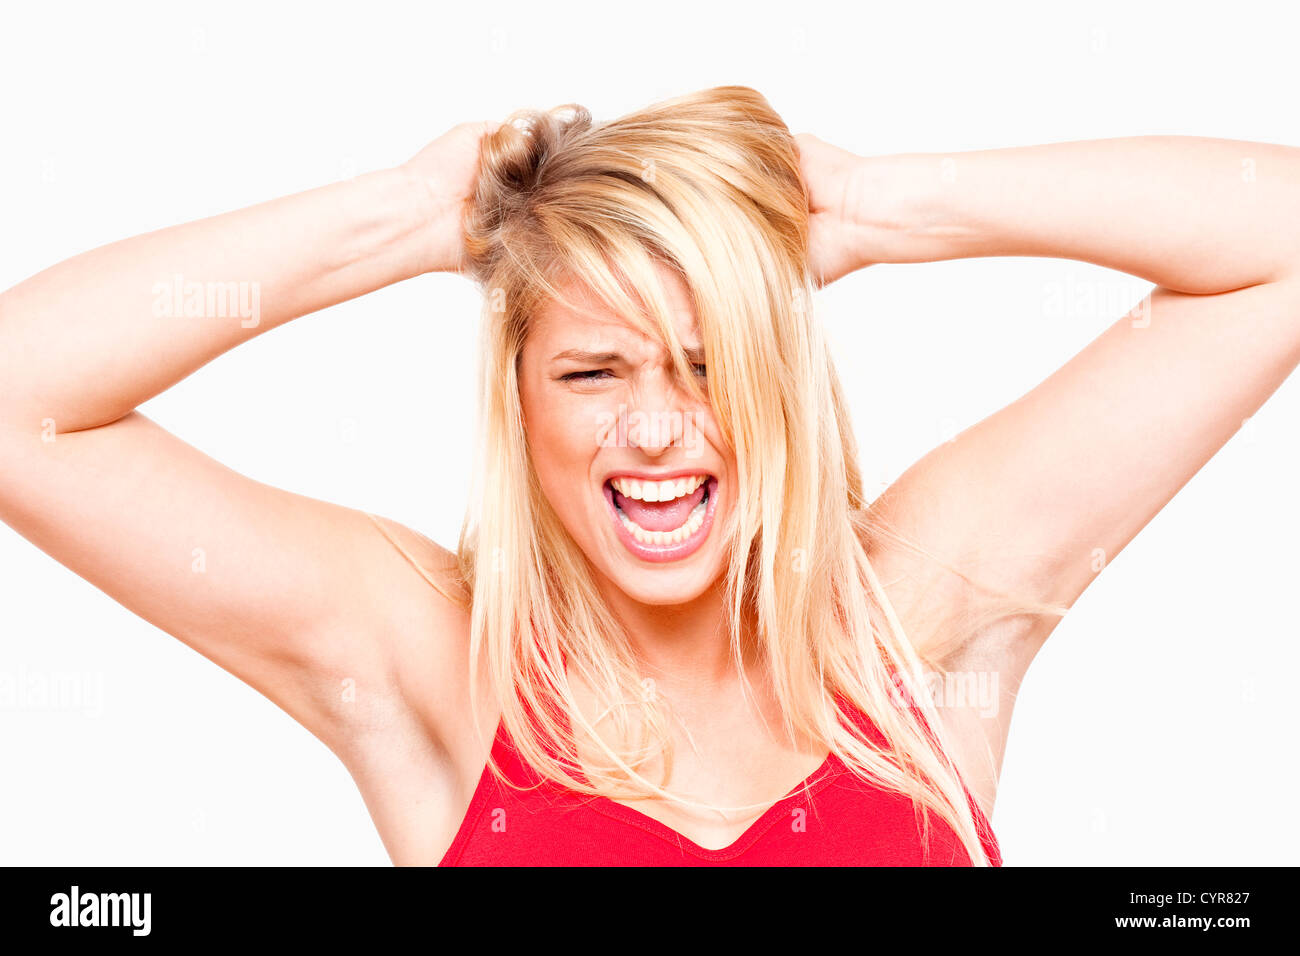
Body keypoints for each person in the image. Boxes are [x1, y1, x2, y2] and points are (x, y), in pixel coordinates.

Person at [3, 85, 1296, 865]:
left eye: (709, 365)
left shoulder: (920, 613)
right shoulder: (436, 657)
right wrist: (403, 218)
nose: (660, 432)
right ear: (517, 400)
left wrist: (884, 208)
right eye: (592, 375)